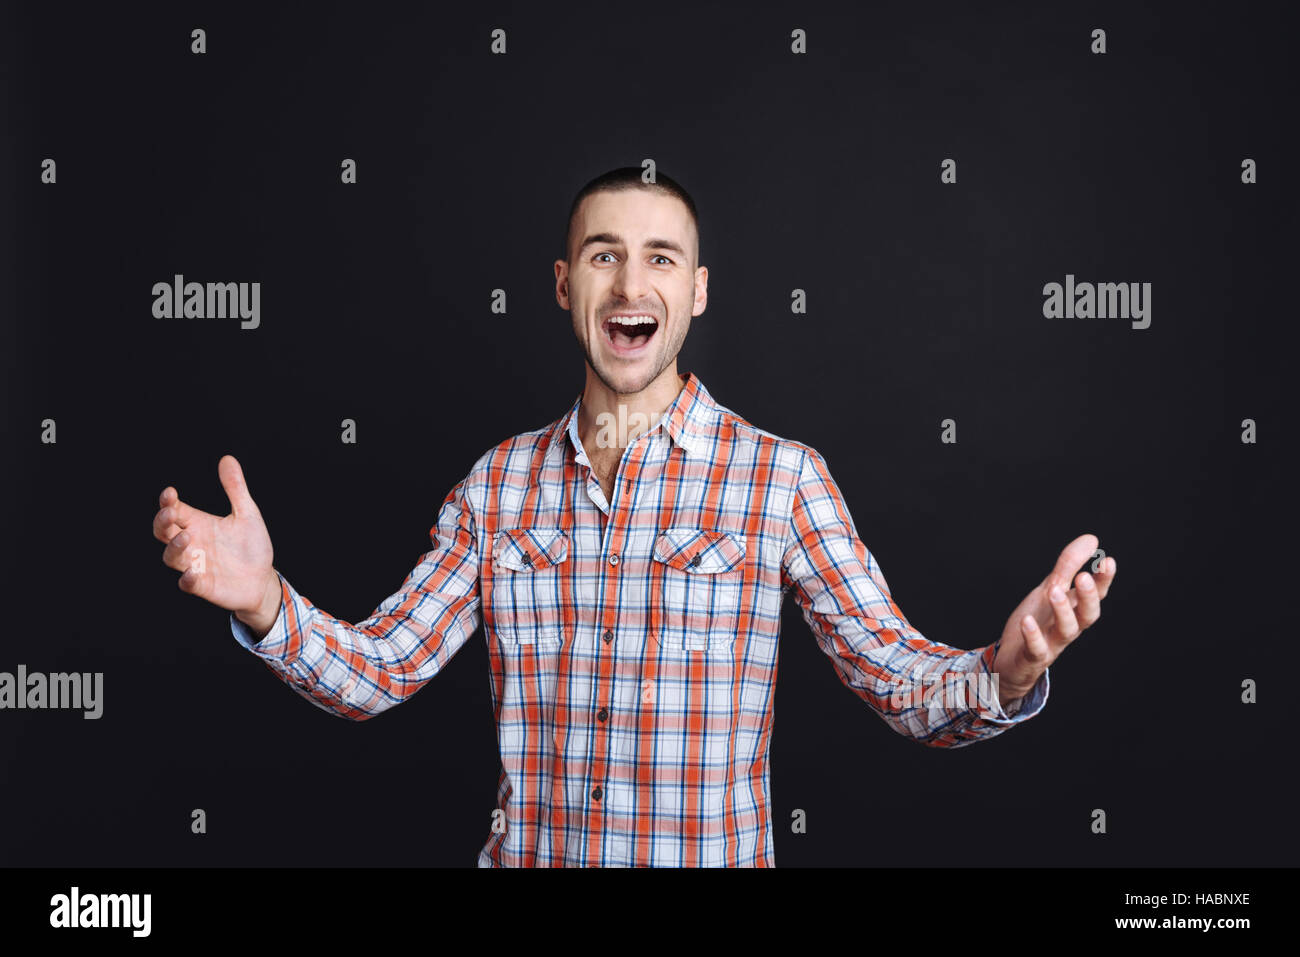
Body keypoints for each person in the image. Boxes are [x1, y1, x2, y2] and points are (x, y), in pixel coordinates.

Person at [153, 167, 1117, 867]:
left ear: (695, 293)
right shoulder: (495, 488)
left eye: (660, 258)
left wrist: (1005, 669)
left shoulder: (781, 480)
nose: (629, 283)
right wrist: (265, 603)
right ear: (565, 285)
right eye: (603, 254)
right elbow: (378, 672)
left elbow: (898, 680)